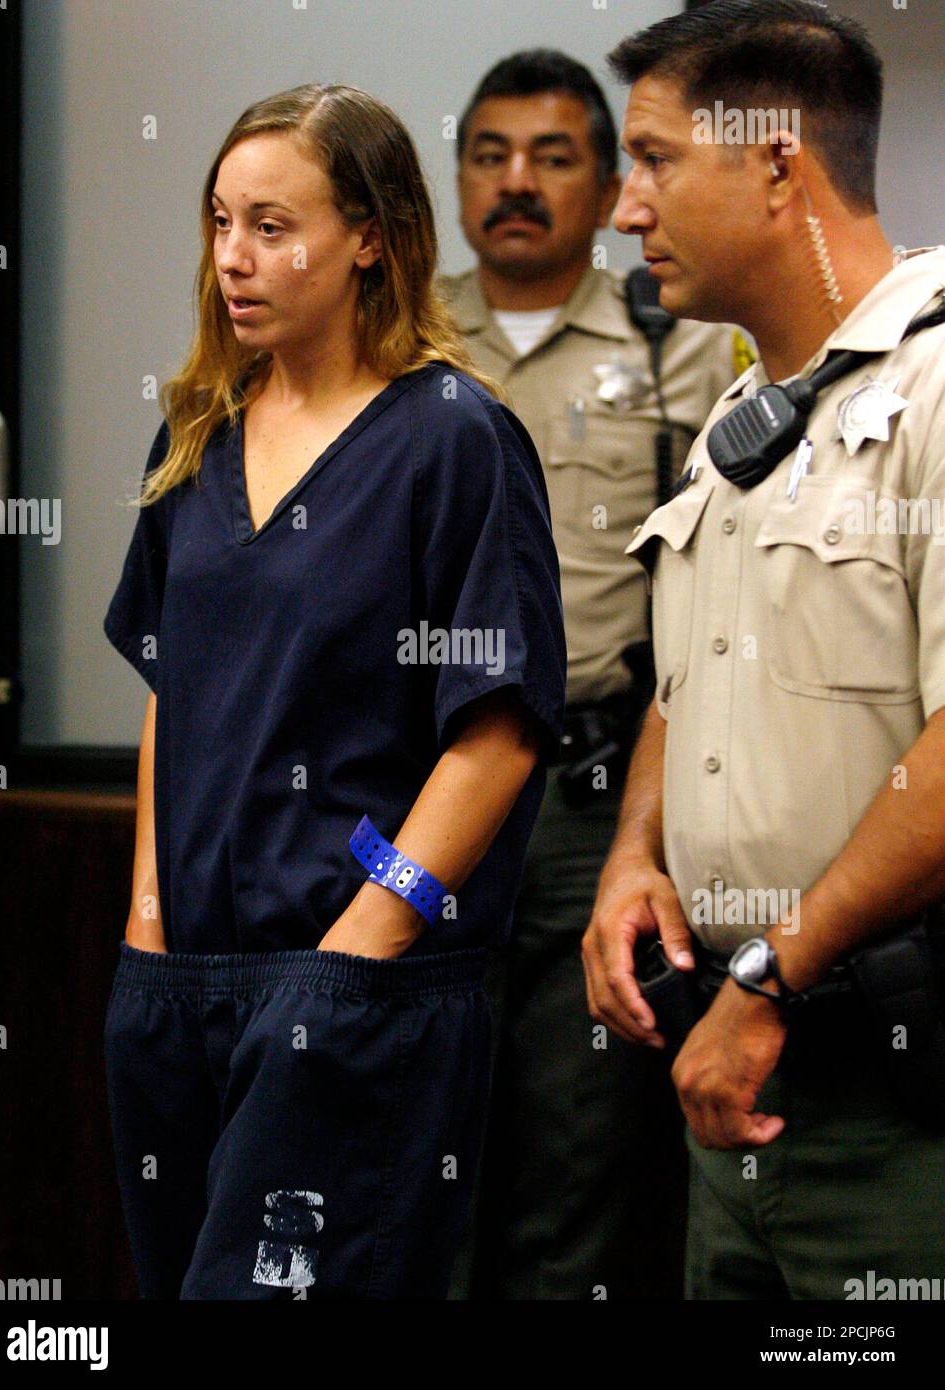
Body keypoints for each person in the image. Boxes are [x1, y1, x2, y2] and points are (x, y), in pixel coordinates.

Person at [101, 82, 566, 1301]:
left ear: (370, 235)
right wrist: (149, 921)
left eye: (272, 225)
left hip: (354, 981)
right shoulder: (197, 435)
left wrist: (366, 938)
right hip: (182, 979)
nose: (234, 259)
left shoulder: (452, 437)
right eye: (219, 223)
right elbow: (171, 685)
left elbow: (501, 727)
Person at [584, 0, 945, 1299]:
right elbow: (691, 679)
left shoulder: (936, 392)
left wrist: (768, 976)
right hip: (733, 1076)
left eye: (655, 159)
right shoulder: (745, 415)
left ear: (777, 165)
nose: (626, 208)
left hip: (894, 1093)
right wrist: (635, 852)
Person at [440, 50, 745, 1300]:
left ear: (610, 181)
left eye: (554, 157)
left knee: (576, 1169)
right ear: (456, 175)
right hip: (409, 802)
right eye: (489, 155)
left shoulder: (684, 349)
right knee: (411, 1138)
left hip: (587, 801)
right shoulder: (393, 335)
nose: (517, 184)